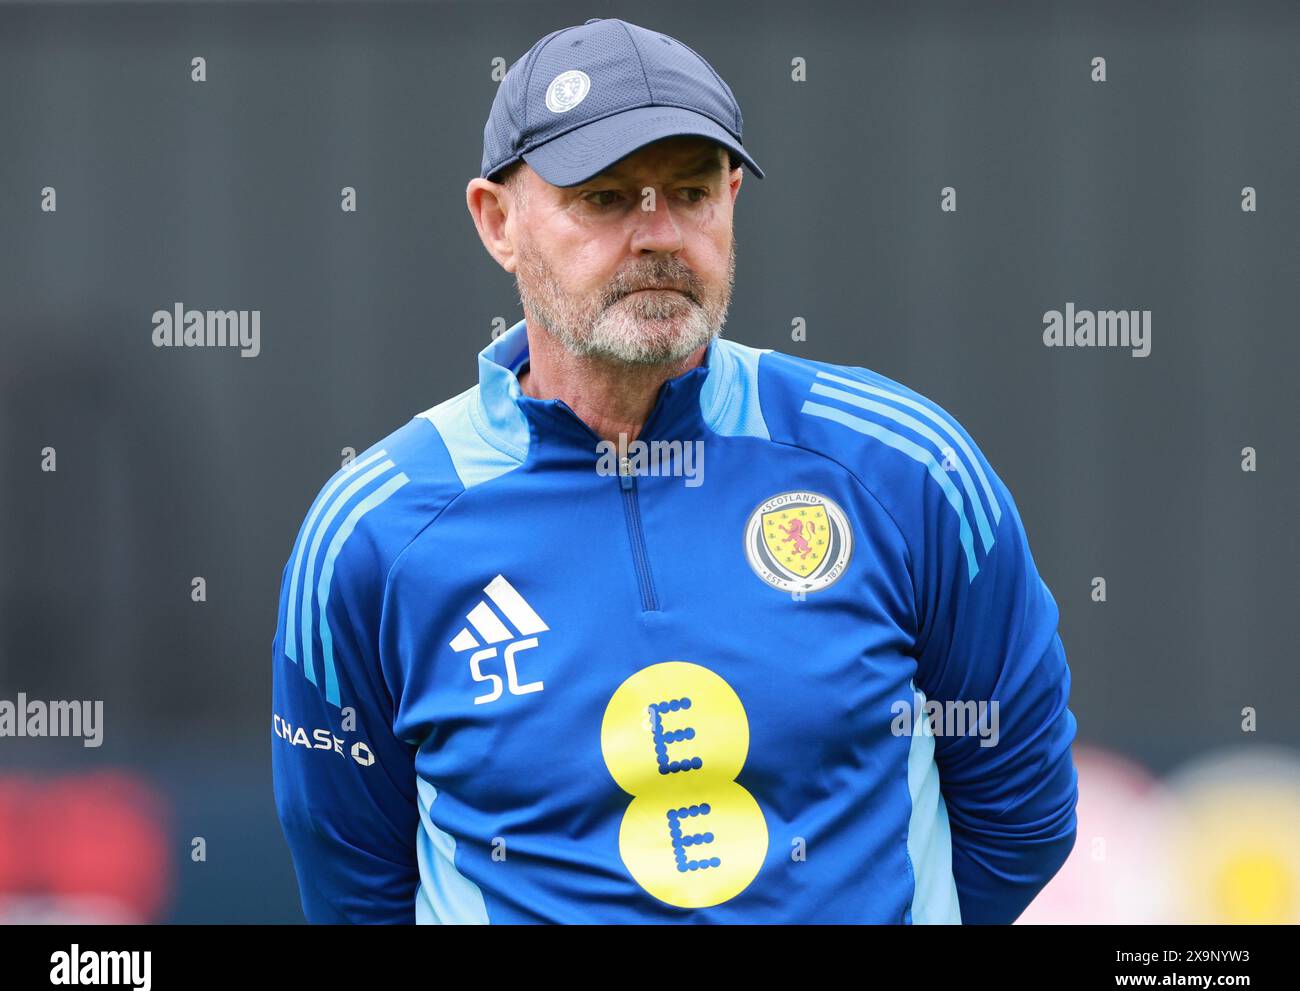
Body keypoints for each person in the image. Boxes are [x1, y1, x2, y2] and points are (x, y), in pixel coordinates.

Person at [272, 16, 1079, 924]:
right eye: (606, 198)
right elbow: (355, 887)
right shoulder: (377, 533)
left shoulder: (900, 467)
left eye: (690, 192)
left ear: (732, 197)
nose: (657, 234)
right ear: (498, 222)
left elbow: (1025, 817)